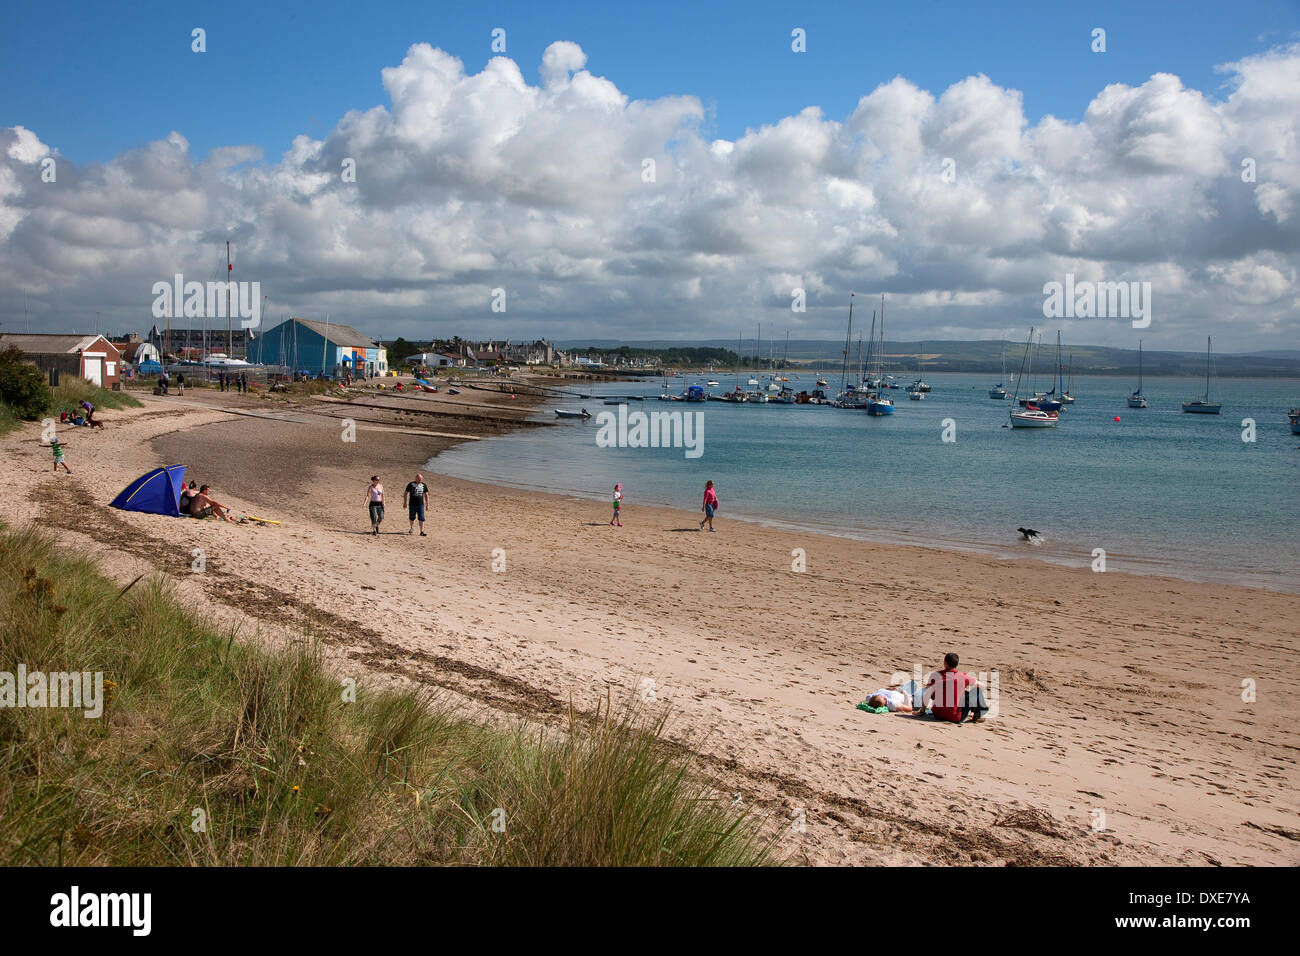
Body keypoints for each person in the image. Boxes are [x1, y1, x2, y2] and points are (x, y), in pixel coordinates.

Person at [921, 653, 988, 723]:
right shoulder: (962, 676)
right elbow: (982, 686)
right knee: (975, 691)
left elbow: (927, 694)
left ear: (945, 663)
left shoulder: (935, 675)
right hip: (955, 718)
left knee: (934, 690)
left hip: (937, 715)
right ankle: (978, 714)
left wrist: (922, 711)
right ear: (957, 664)